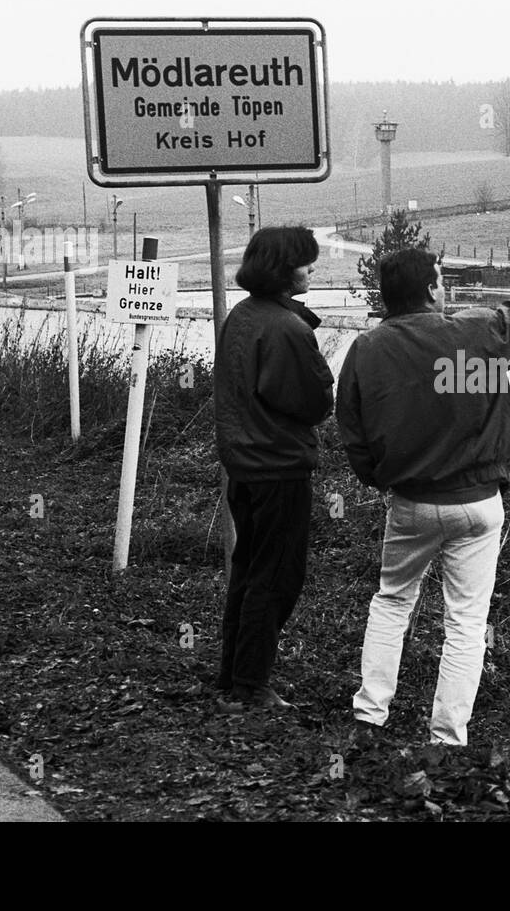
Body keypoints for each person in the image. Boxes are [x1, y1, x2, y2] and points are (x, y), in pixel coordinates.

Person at [336, 249, 510, 745]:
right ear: (431, 289)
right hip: (480, 504)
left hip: (411, 502)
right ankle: (447, 738)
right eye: (440, 280)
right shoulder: (477, 332)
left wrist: (380, 479)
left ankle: (369, 714)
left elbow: (352, 428)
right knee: (465, 622)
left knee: (393, 601)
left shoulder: (366, 349)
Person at [213, 226, 334, 711]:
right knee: (277, 578)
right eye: (305, 262)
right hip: (279, 467)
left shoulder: (242, 316)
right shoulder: (287, 329)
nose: (311, 269)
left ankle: (233, 676)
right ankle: (252, 686)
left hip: (244, 464)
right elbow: (312, 402)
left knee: (247, 569)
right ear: (284, 271)